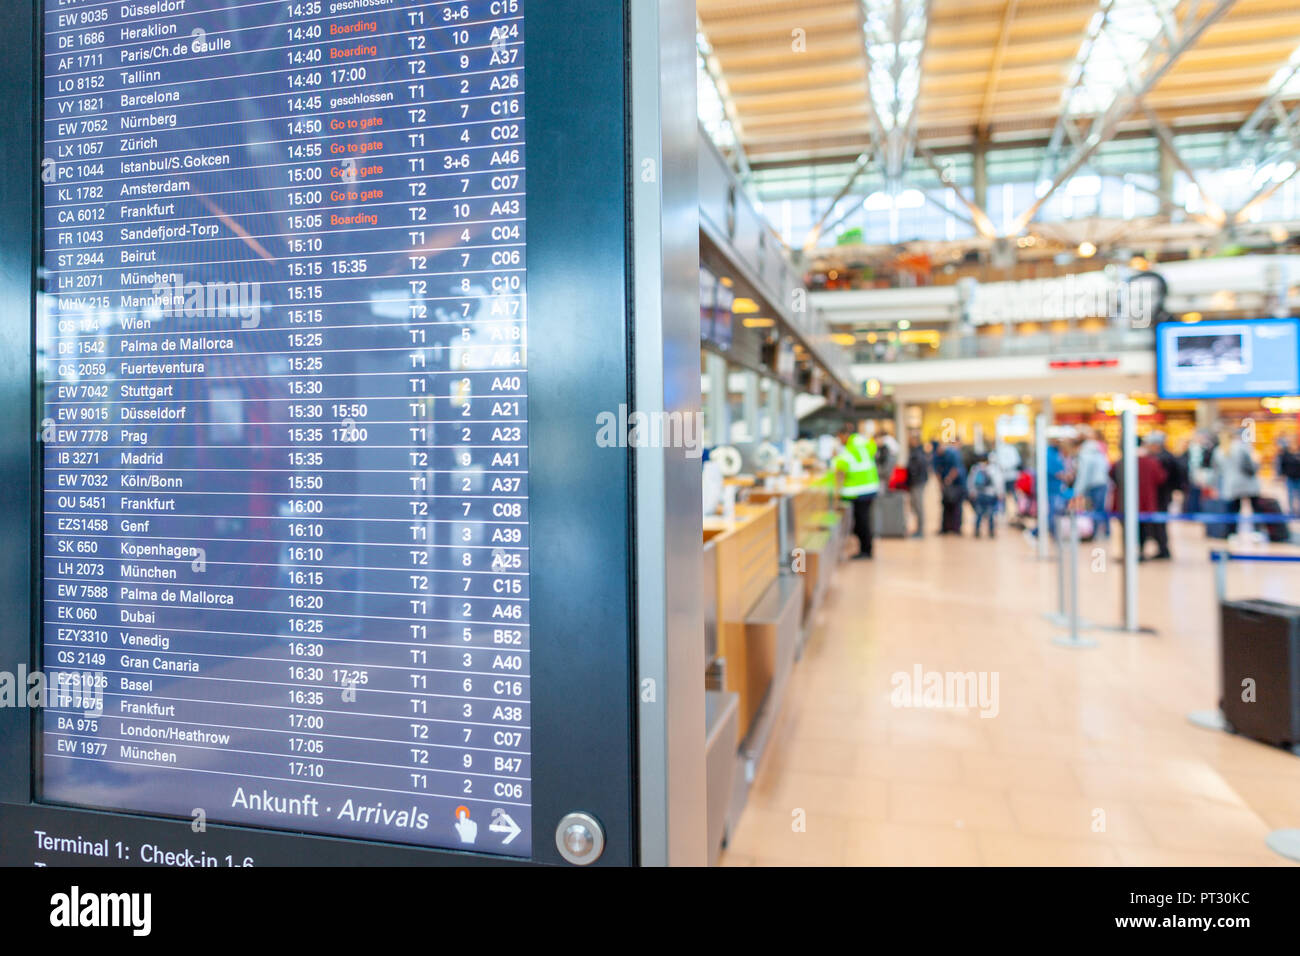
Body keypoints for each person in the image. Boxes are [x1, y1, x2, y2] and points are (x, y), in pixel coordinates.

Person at [832, 422, 881, 560]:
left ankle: (866, 551)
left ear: (844, 435)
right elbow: (873, 449)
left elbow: (839, 465)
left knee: (862, 522)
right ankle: (866, 549)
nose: (839, 440)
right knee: (864, 521)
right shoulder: (862, 442)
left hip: (860, 490)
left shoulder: (849, 449)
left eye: (839, 437)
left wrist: (834, 455)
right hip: (870, 487)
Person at [1072, 427, 1111, 539]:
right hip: (1102, 483)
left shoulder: (1085, 454)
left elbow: (1084, 474)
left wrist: (1078, 490)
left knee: (1093, 510)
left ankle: (1094, 533)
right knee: (1101, 509)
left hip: (1093, 485)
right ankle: (1105, 532)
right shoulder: (1099, 452)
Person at [968, 452, 1003, 538]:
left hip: (979, 494)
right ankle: (991, 531)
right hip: (990, 494)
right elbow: (998, 482)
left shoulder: (975, 468)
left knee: (978, 513)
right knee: (991, 513)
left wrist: (972, 491)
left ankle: (977, 531)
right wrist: (999, 493)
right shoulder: (993, 469)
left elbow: (970, 481)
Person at [938, 440, 967, 535]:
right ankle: (946, 528)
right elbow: (937, 471)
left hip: (957, 484)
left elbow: (956, 469)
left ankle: (956, 528)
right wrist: (942, 483)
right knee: (947, 506)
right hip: (949, 484)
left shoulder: (954, 454)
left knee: (956, 507)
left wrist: (947, 480)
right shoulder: (945, 455)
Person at [905, 432, 929, 538]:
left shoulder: (918, 453)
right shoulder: (915, 452)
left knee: (919, 506)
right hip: (916, 482)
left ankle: (920, 530)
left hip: (918, 483)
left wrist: (913, 479)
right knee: (915, 506)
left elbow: (916, 468)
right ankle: (918, 529)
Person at [1277, 436, 1300, 517]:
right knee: (1290, 495)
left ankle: (1298, 511)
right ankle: (1291, 510)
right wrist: (1281, 474)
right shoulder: (1286, 454)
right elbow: (1282, 465)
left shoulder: (1298, 453)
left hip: (1298, 477)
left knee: (1298, 495)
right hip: (1290, 477)